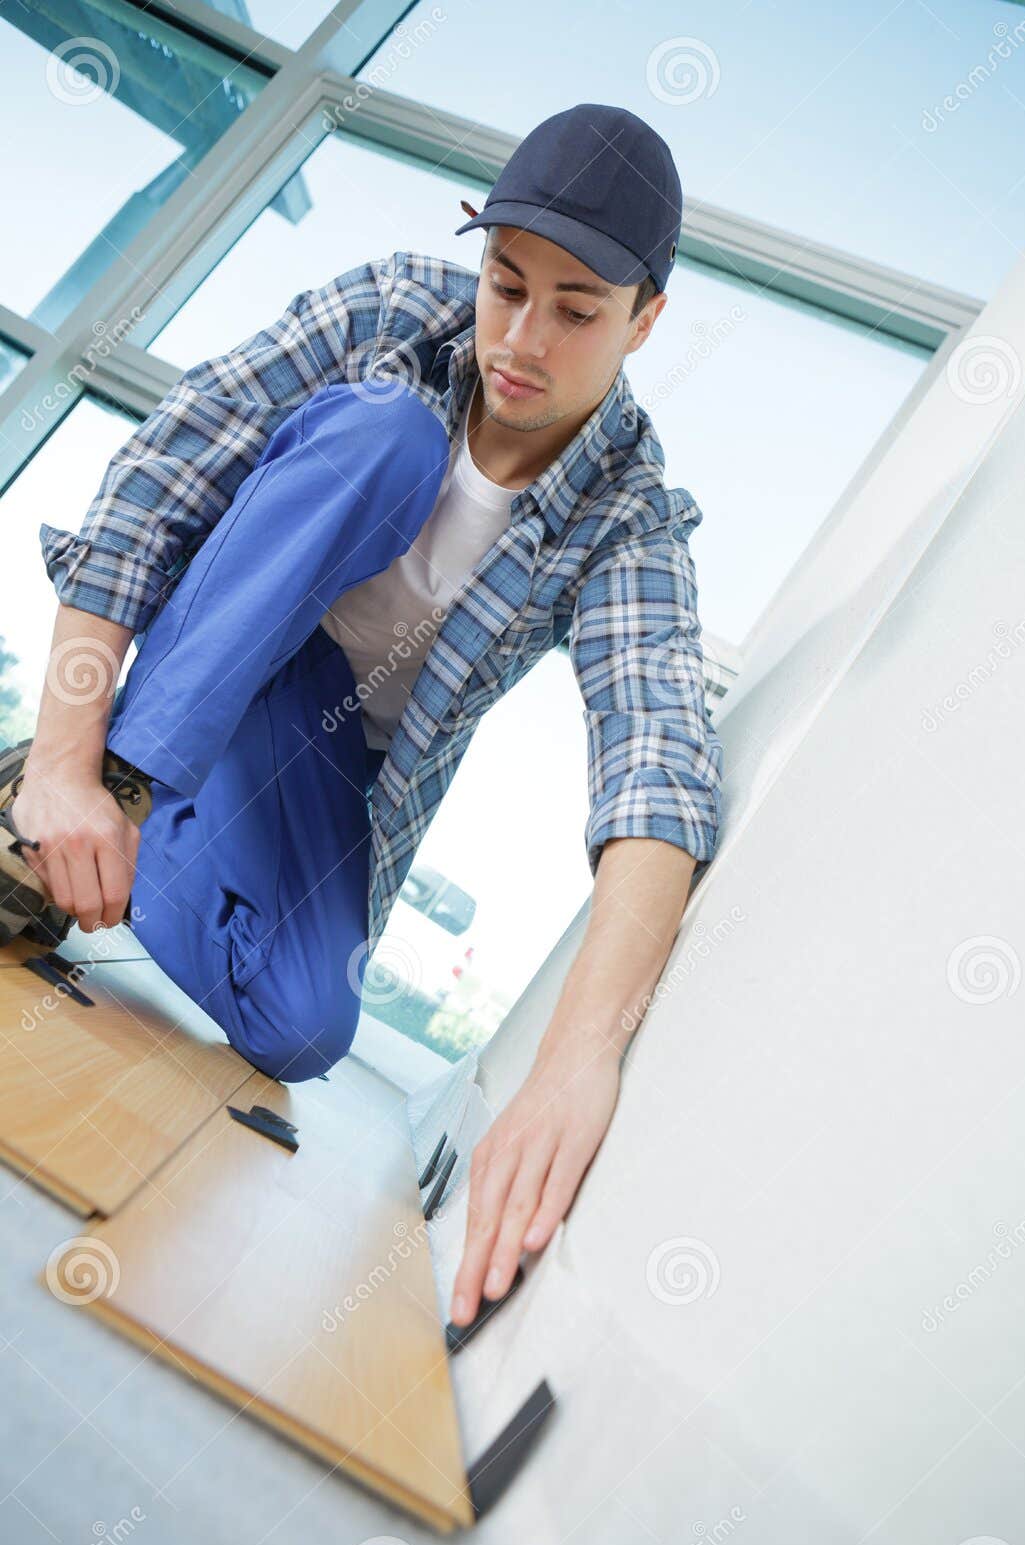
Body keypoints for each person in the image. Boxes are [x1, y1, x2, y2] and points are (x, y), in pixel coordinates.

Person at [0, 103, 723, 1324]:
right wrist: (72, 769)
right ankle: (80, 799)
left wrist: (574, 1062)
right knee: (387, 436)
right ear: (476, 260)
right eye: (506, 286)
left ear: (645, 320)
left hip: (317, 781)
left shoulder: (628, 515)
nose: (523, 339)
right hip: (210, 668)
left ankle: (87, 830)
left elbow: (654, 765)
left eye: (578, 310)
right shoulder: (389, 315)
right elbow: (157, 487)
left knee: (302, 1027)